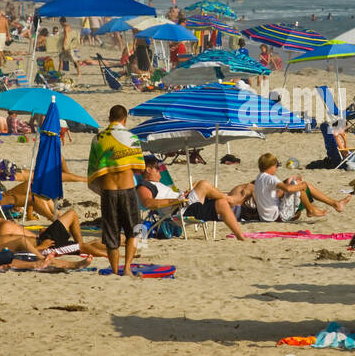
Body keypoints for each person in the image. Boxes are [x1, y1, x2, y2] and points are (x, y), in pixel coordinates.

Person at [135, 155, 251, 240]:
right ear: (149, 170)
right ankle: (231, 200)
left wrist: (183, 194)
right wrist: (176, 200)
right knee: (203, 184)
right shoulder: (144, 186)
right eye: (157, 169)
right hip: (179, 211)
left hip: (185, 206)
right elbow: (148, 203)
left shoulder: (158, 185)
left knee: (221, 203)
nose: (159, 173)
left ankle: (240, 237)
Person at [87, 105, 145, 276]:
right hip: (127, 189)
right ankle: (127, 268)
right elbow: (139, 167)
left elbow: (94, 169)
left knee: (111, 234)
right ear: (124, 119)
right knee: (133, 231)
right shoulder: (132, 137)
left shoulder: (98, 139)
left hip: (109, 191)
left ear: (109, 117)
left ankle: (114, 270)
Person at [251, 153, 351, 221]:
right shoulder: (270, 178)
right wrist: (302, 185)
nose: (276, 169)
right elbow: (288, 189)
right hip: (276, 216)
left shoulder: (259, 178)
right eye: (275, 166)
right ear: (271, 166)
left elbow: (275, 194)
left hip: (266, 216)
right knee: (299, 185)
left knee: (297, 183)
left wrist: (289, 182)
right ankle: (311, 210)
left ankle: (335, 204)